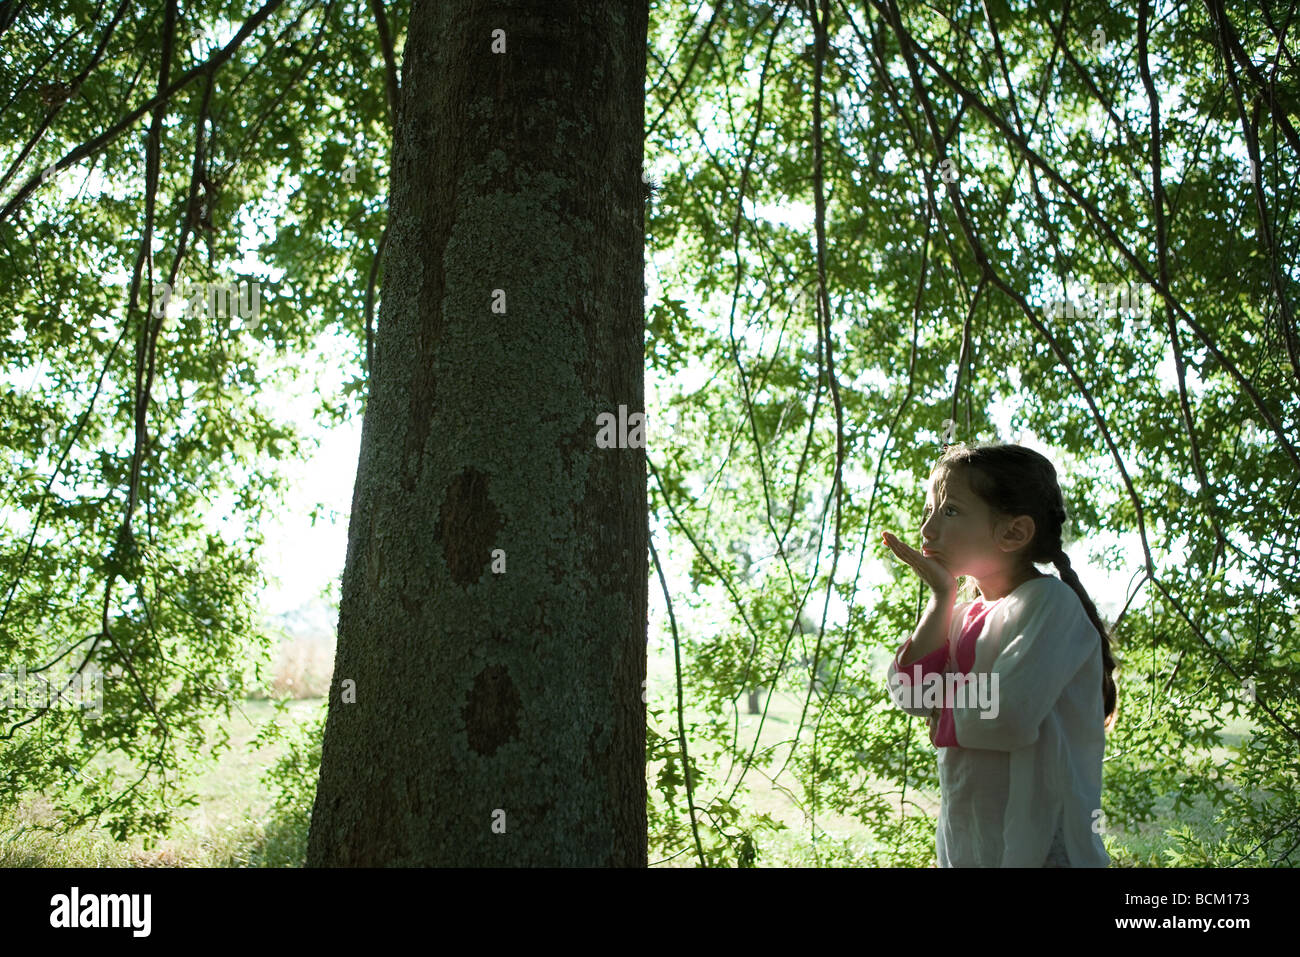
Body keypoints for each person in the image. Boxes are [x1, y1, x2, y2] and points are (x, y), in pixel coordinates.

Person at [881, 442, 1118, 867]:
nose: (927, 529)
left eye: (950, 511)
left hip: (1043, 847)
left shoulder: (1050, 603)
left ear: (1013, 532)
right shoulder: (960, 614)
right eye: (929, 509)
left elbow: (1006, 716)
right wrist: (941, 597)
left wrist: (944, 706)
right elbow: (910, 695)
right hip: (970, 845)